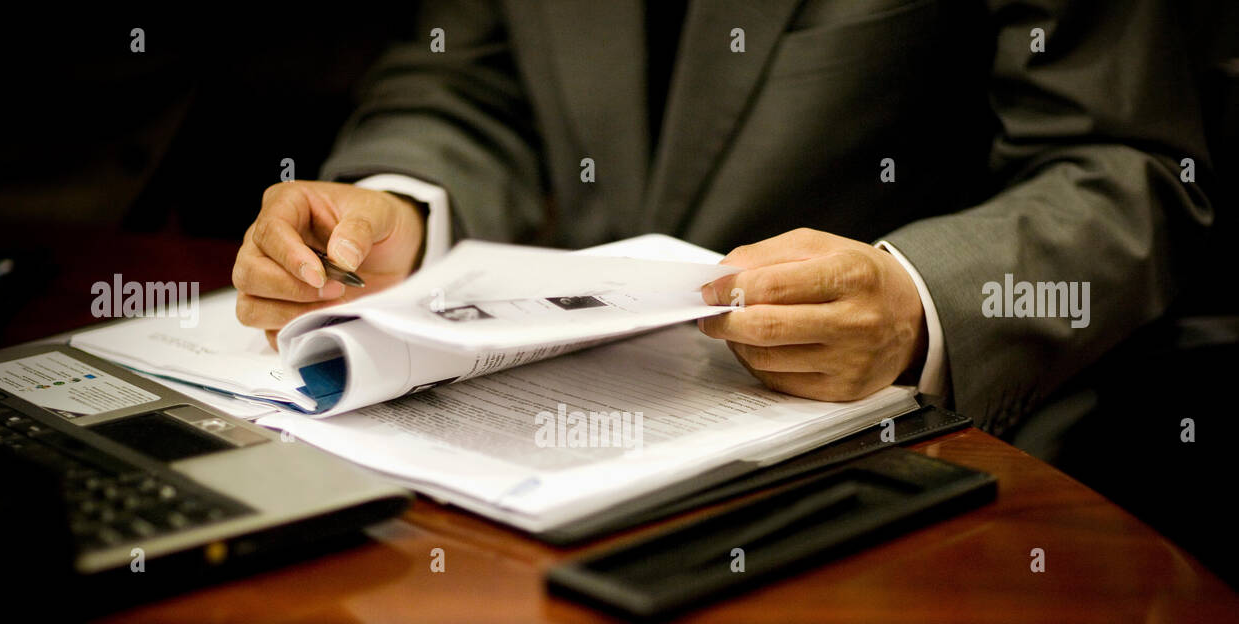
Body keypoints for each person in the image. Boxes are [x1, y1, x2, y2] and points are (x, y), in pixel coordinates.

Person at [231, 0, 1212, 437]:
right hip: (568, 430)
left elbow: (1125, 167)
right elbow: (465, 72)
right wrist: (400, 198)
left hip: (922, 452)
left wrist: (920, 302)